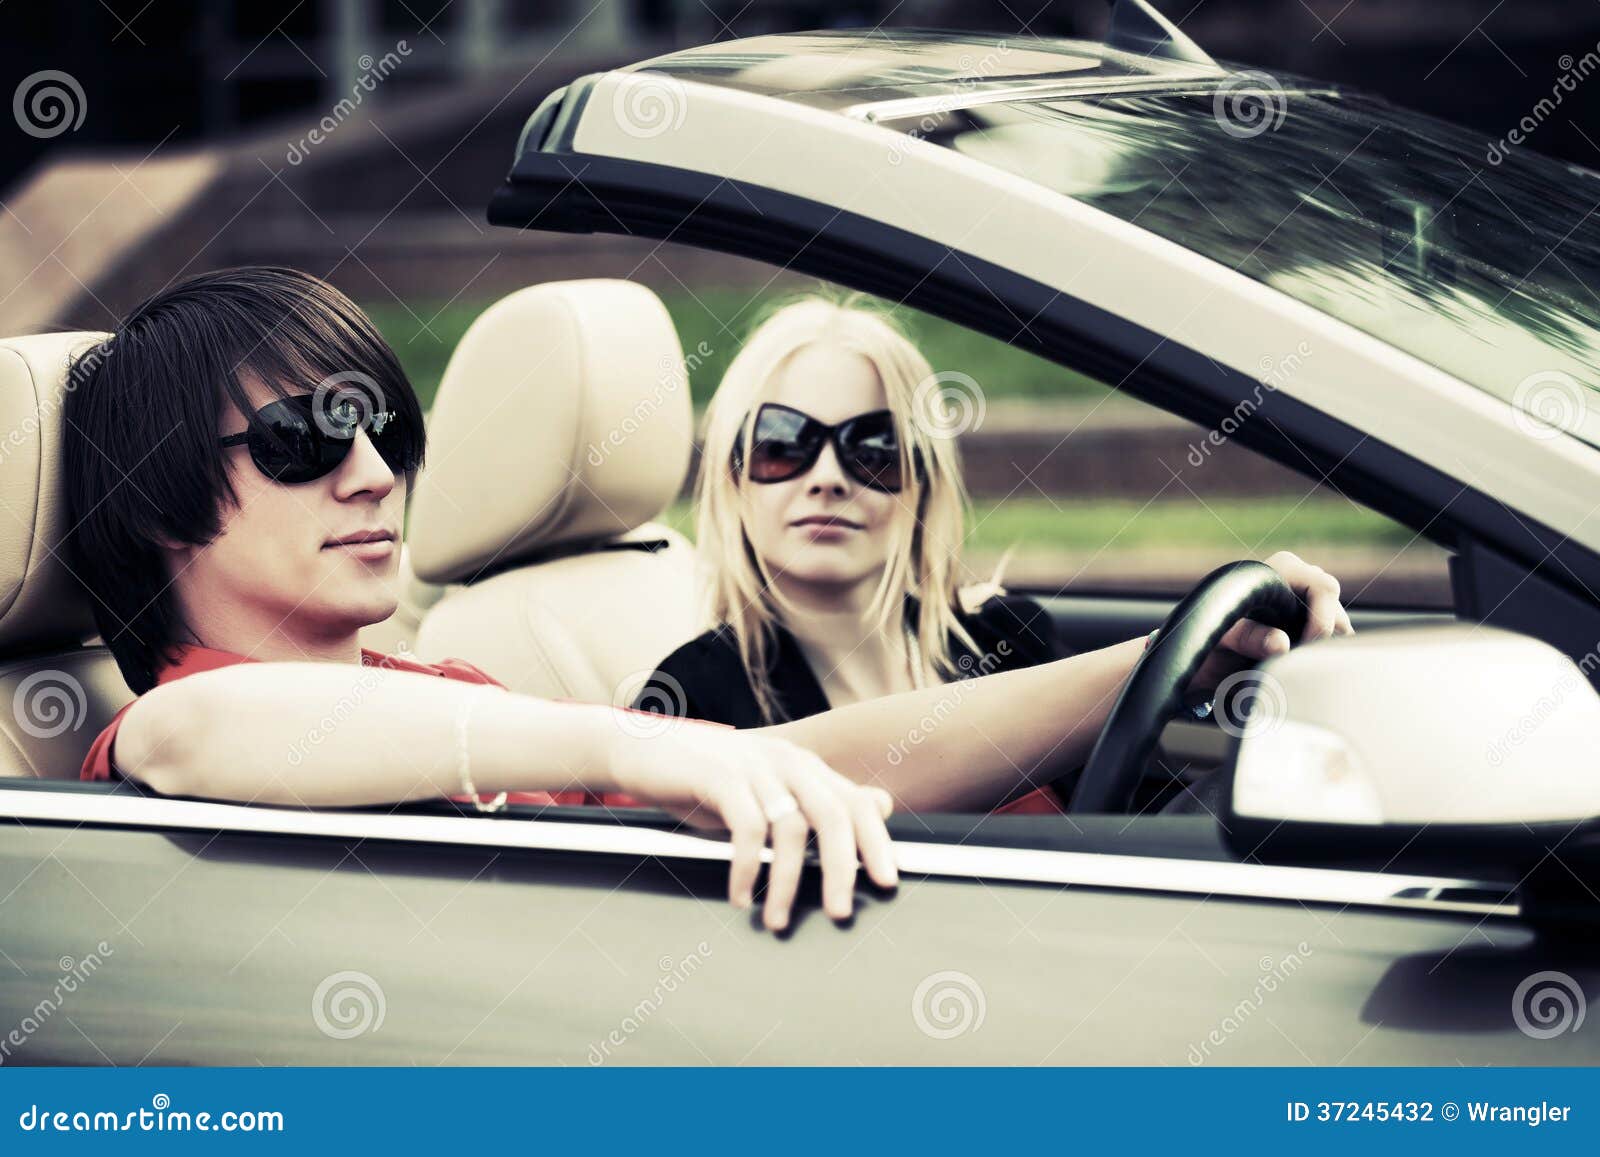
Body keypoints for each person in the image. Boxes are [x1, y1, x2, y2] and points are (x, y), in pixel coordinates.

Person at [63, 269, 1350, 931]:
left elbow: (787, 761)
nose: (374, 470)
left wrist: (1146, 665)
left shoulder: (433, 698)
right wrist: (634, 738)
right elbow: (207, 736)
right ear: (161, 501)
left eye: (387, 427)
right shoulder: (169, 730)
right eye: (302, 439)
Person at [635, 295, 1353, 807]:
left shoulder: (1009, 635)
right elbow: (833, 773)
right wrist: (1174, 652)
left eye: (873, 449)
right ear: (734, 480)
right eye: (783, 445)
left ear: (921, 482)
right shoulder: (692, 697)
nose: (827, 477)